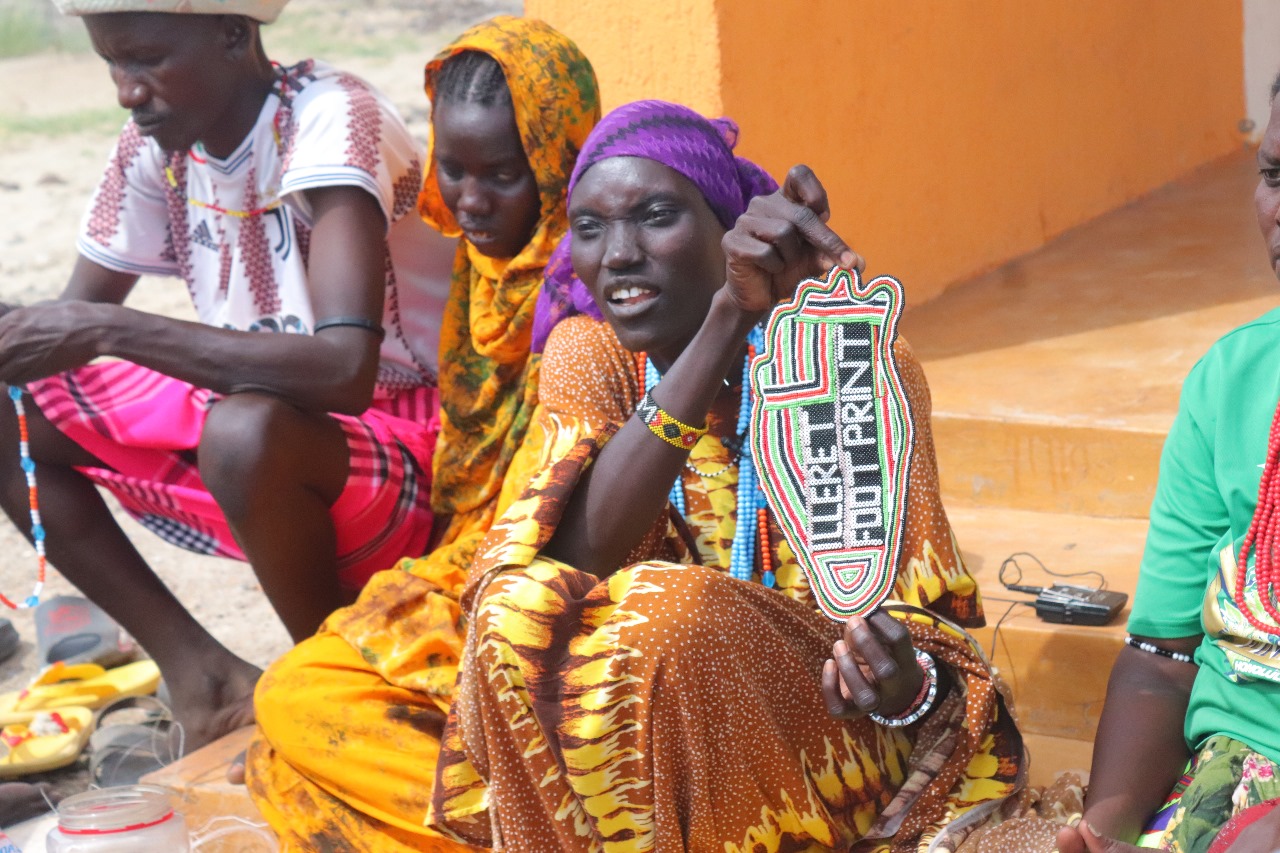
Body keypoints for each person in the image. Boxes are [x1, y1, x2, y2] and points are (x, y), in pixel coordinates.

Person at [426, 100, 1024, 853]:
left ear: (728, 228)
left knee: (670, 611)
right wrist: (723, 323)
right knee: (515, 605)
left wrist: (896, 677)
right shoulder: (591, 356)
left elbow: (923, 641)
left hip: (832, 738)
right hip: (642, 735)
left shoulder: (844, 363)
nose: (617, 254)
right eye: (589, 227)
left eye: (654, 216)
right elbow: (575, 558)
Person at [0, 0, 453, 751]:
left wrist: (111, 330)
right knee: (7, 401)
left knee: (244, 430)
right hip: (268, 430)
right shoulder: (158, 143)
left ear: (234, 35)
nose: (126, 89)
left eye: (145, 59)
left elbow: (344, 372)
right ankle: (204, 678)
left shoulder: (334, 120)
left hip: (412, 445)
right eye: (113, 63)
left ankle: (336, 688)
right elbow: (63, 336)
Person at [244, 18, 599, 851]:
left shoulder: (594, 299)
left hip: (556, 598)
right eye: (455, 168)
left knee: (295, 708)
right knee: (283, 755)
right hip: (473, 560)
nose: (470, 201)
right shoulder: (481, 278)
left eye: (504, 175)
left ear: (559, 166)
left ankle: (544, 828)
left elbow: (565, 521)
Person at [1055, 75, 1280, 853]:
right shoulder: (1233, 381)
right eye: (1275, 176)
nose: (1279, 209)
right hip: (1235, 781)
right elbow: (1162, 658)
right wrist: (1103, 831)